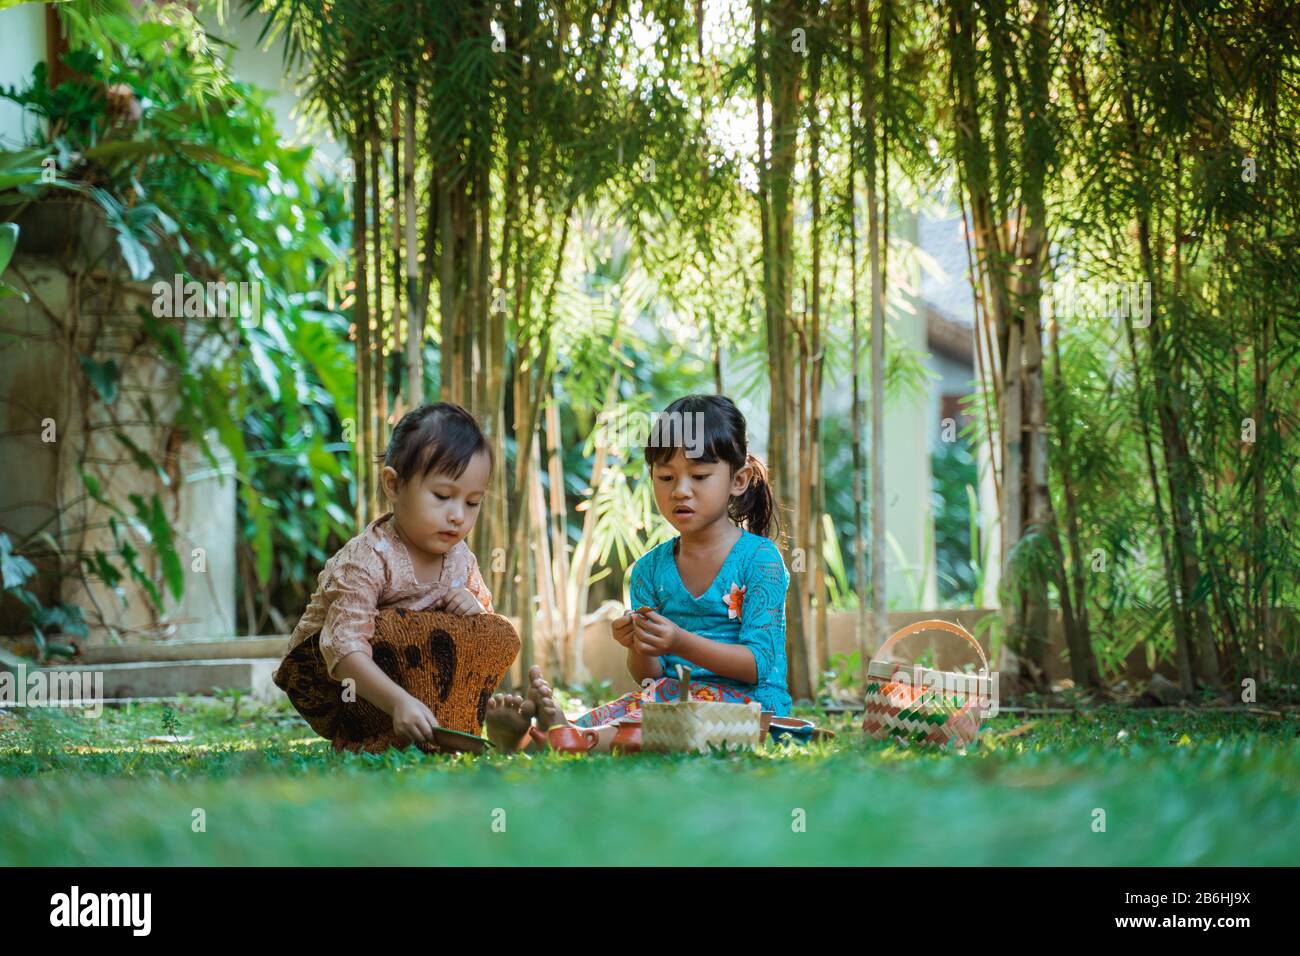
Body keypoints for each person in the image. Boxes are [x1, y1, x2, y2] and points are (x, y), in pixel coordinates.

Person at [492, 393, 792, 753]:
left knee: (663, 722)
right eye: (665, 477)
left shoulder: (760, 559)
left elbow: (758, 665)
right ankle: (558, 735)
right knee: (633, 709)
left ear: (738, 480)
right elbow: (651, 676)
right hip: (671, 699)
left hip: (751, 711)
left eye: (699, 476)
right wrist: (639, 643)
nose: (680, 491)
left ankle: (563, 740)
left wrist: (679, 641)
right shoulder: (650, 570)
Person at [272, 401, 528, 754]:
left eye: (472, 502)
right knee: (393, 629)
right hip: (341, 682)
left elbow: (478, 640)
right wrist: (398, 703)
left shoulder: (459, 559)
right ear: (393, 485)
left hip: (416, 673)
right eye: (442, 496)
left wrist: (473, 613)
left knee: (497, 630)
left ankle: (459, 727)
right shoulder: (366, 561)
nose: (458, 516)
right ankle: (375, 735)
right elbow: (343, 650)